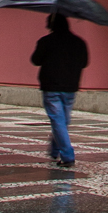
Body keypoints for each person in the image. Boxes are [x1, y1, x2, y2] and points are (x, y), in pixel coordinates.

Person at [30, 12, 88, 170]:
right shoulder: (79, 42)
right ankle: (55, 149)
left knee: (58, 121)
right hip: (70, 88)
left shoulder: (46, 41)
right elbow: (84, 63)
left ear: (51, 25)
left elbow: (35, 60)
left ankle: (67, 156)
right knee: (62, 121)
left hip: (51, 87)